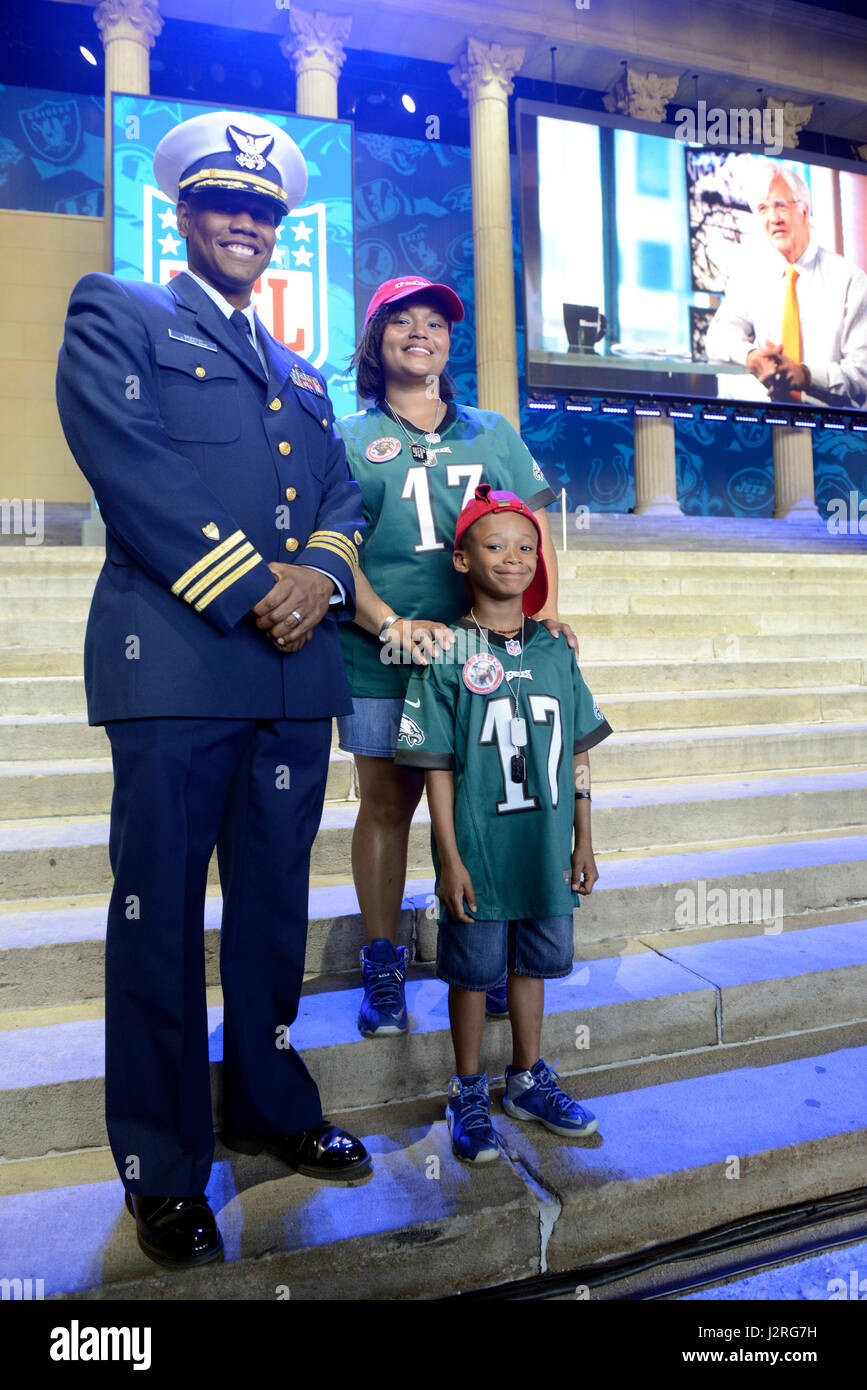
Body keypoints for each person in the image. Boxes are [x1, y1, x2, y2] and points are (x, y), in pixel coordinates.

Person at [55, 110, 370, 1270]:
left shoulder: (302, 371)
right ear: (183, 214)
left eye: (266, 211)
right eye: (223, 204)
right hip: (177, 664)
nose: (246, 222)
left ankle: (267, 1104)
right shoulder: (120, 310)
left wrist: (319, 579)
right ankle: (164, 1164)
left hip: (292, 678)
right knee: (156, 922)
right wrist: (254, 589)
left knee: (274, 913)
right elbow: (129, 459)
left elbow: (342, 501)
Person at [333, 276, 577, 1039]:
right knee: (386, 805)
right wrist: (387, 624)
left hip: (483, 660)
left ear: (448, 342)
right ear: (375, 341)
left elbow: (530, 527)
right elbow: (333, 544)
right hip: (382, 653)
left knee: (484, 806)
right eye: (400, 322)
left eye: (434, 323)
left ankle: (483, 958)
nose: (419, 333)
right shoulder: (345, 434)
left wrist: (541, 618)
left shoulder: (489, 430)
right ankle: (383, 961)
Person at [393, 485, 612, 1162]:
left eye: (525, 546)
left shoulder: (554, 649)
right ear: (461, 558)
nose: (512, 558)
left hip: (543, 849)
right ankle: (466, 1089)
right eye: (494, 545)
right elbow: (434, 766)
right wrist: (449, 859)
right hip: (479, 852)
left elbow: (575, 750)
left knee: (531, 964)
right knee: (471, 969)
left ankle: (526, 1076)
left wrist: (584, 835)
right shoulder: (446, 654)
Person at [705, 159, 867, 408]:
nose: (773, 218)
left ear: (804, 211)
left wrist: (807, 375)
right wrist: (752, 356)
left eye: (780, 206)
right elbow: (718, 337)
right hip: (758, 422)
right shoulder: (748, 276)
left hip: (829, 430)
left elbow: (862, 372)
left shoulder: (850, 281)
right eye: (762, 209)